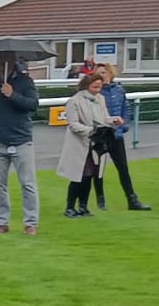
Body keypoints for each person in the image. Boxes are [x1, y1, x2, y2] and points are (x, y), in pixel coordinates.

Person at [0, 57, 39, 236]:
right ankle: (2, 223)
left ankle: (31, 223)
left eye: (7, 59)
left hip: (21, 140)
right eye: (0, 59)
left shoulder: (25, 82)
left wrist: (13, 95)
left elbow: (33, 105)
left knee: (27, 184)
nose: (3, 63)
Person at [90, 62, 150, 210]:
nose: (100, 76)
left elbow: (126, 109)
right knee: (99, 169)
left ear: (110, 74)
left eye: (103, 73)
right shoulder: (95, 92)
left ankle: (132, 199)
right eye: (98, 73)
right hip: (100, 135)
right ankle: (101, 200)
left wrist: (123, 126)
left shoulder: (119, 90)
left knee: (123, 168)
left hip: (116, 135)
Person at [58, 71, 112, 219]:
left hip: (95, 145)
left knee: (90, 175)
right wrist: (91, 130)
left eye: (99, 87)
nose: (97, 91)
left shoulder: (100, 99)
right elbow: (73, 124)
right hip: (79, 144)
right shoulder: (74, 101)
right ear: (87, 85)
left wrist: (114, 121)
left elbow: (105, 118)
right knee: (78, 176)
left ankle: (83, 206)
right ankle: (70, 207)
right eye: (95, 87)